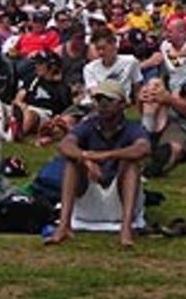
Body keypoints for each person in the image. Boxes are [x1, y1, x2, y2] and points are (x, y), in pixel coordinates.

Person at [45, 80, 150, 248]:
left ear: (122, 104)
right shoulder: (88, 125)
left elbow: (143, 148)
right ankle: (64, 226)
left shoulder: (133, 128)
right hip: (91, 193)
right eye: (98, 100)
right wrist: (85, 158)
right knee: (72, 163)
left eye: (108, 100)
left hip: (118, 196)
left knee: (131, 164)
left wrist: (106, 155)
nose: (102, 105)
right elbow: (65, 145)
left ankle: (126, 228)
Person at [139, 78, 186, 177]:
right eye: (185, 95)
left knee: (175, 144)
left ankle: (155, 166)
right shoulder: (171, 107)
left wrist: (168, 99)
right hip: (160, 131)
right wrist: (145, 98)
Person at [82, 27, 143, 102]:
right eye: (98, 49)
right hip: (95, 104)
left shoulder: (131, 62)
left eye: (103, 48)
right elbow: (93, 92)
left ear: (114, 44)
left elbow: (137, 88)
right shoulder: (89, 68)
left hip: (118, 104)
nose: (100, 52)